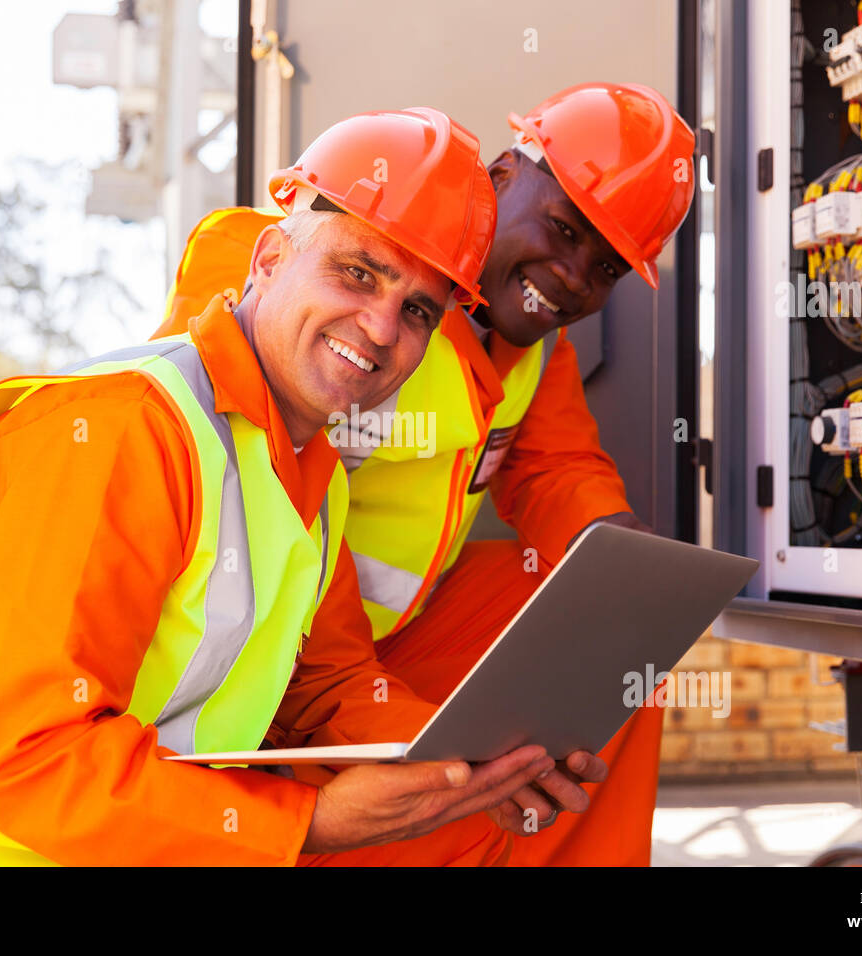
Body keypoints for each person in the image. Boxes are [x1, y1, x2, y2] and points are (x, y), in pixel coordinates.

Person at [0, 107, 606, 866]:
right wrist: (309, 824)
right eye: (357, 273)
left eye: (417, 312)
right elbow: (33, 759)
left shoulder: (307, 472)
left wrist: (470, 763)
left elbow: (327, 684)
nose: (379, 327)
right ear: (268, 259)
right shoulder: (120, 429)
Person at [156, 83, 697, 865]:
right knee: (439, 776)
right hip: (270, 654)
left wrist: (636, 582)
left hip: (374, 650)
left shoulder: (533, 350)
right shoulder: (276, 266)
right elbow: (224, 463)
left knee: (611, 631)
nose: (575, 276)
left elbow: (558, 473)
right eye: (564, 227)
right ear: (505, 174)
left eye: (606, 265)